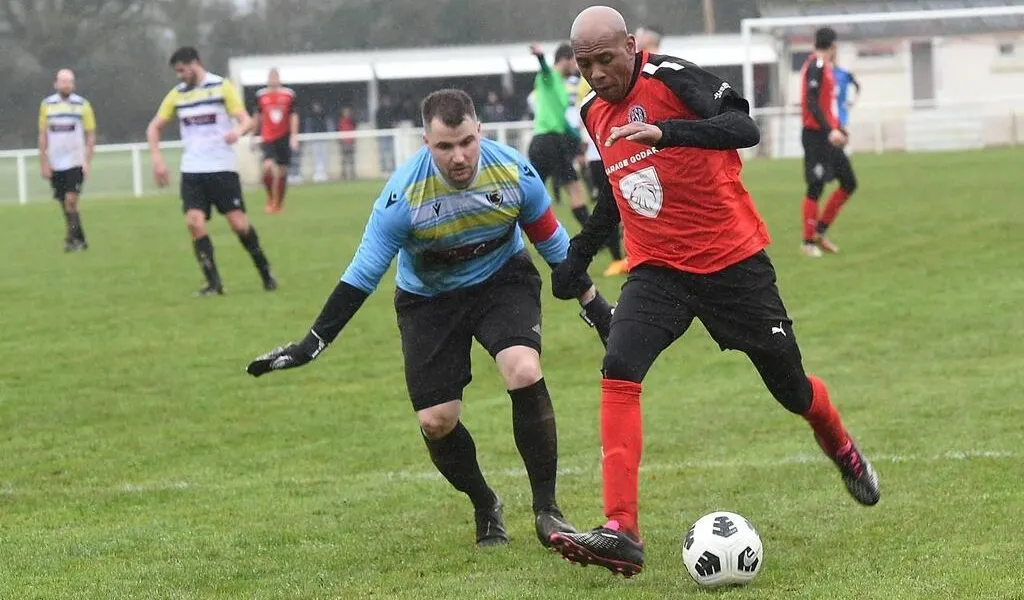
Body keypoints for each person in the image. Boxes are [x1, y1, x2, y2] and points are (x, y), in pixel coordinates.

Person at [546, 7, 880, 577]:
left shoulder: (673, 77)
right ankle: (621, 528)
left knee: (793, 389)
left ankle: (842, 446)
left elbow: (742, 128)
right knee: (620, 365)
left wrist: (667, 131)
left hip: (733, 264)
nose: (597, 73)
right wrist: (578, 255)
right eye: (585, 64)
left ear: (630, 46)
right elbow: (618, 190)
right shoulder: (591, 110)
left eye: (606, 59)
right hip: (658, 270)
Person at [245, 89, 615, 549]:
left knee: (523, 367)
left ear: (480, 132)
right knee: (437, 421)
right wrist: (309, 345)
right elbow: (361, 275)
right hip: (429, 300)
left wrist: (598, 309)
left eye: (466, 142)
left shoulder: (514, 172)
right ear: (426, 143)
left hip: (503, 281)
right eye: (445, 147)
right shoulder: (404, 196)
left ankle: (548, 511)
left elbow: (555, 246)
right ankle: (485, 503)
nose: (459, 156)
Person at [146, 46, 277, 297]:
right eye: (177, 72)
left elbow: (247, 120)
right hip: (193, 170)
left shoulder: (221, 87)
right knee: (194, 223)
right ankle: (213, 284)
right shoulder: (177, 95)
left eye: (182, 70)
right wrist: (157, 160)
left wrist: (237, 132)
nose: (180, 76)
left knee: (238, 225)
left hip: (221, 168)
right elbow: (154, 128)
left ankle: (265, 269)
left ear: (195, 63)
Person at [799, 27, 858, 257]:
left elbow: (823, 105)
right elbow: (812, 103)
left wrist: (838, 129)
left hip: (827, 133)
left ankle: (819, 232)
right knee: (816, 185)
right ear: (833, 46)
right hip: (815, 135)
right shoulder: (817, 66)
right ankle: (807, 242)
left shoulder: (823, 67)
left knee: (849, 182)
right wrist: (829, 130)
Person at [527, 44, 589, 227]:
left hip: (539, 142)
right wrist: (540, 57)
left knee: (529, 193)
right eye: (575, 62)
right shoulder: (549, 76)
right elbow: (545, 71)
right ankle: (595, 238)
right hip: (551, 142)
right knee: (575, 190)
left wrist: (578, 139)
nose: (577, 68)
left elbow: (562, 122)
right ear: (565, 59)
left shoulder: (560, 86)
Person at [571, 76, 627, 276]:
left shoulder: (597, 79)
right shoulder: (588, 83)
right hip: (598, 152)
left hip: (610, 150)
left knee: (623, 202)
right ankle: (617, 258)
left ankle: (624, 257)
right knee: (611, 204)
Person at [39, 69, 96, 252]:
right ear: (56, 84)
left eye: (70, 81)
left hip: (75, 161)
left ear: (74, 84)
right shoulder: (47, 105)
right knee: (64, 203)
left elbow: (91, 134)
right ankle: (81, 239)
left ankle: (70, 240)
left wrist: (86, 160)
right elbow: (43, 135)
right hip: (56, 162)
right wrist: (44, 162)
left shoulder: (82, 105)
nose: (66, 85)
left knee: (71, 201)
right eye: (63, 81)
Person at [251, 68, 298, 214]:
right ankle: (271, 199)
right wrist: (253, 135)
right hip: (268, 138)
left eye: (275, 76)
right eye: (270, 77)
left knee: (282, 172)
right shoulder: (261, 96)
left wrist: (294, 136)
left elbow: (293, 116)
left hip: (283, 137)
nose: (273, 80)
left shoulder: (288, 95)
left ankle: (279, 203)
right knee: (267, 167)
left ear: (279, 78)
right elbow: (257, 116)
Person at [833, 61, 861, 129]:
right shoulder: (823, 72)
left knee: (841, 133)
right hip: (829, 112)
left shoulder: (844, 73)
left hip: (841, 110)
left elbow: (857, 85)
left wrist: (853, 101)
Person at [338, 106, 357, 180]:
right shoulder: (340, 120)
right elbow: (339, 130)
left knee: (351, 159)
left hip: (351, 141)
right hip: (343, 142)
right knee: (344, 159)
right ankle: (344, 175)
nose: (346, 113)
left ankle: (352, 174)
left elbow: (354, 128)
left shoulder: (352, 120)